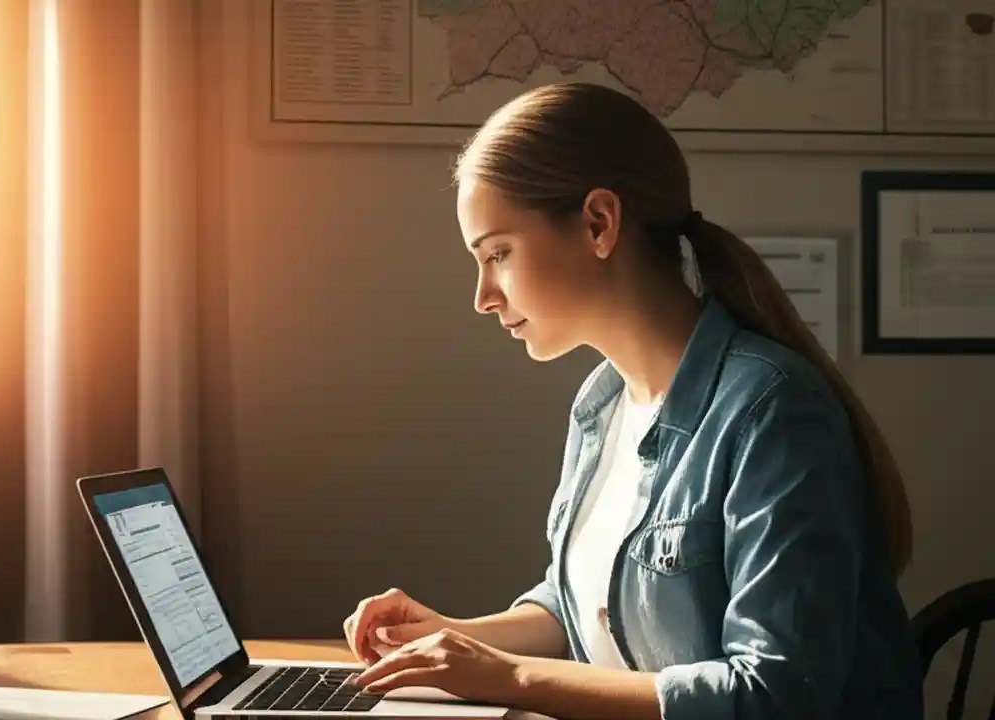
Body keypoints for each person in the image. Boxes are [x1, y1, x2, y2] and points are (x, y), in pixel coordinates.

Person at [343, 82, 923, 719]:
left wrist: (512, 678)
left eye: (498, 254)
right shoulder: (602, 403)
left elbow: (774, 696)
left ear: (599, 222)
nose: (483, 295)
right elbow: (582, 608)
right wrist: (449, 637)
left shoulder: (773, 412)